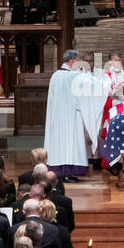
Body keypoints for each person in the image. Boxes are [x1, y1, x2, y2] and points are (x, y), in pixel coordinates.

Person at [43, 50, 99, 180]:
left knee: (61, 144)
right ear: (72, 61)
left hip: (58, 118)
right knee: (70, 143)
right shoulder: (72, 76)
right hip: (70, 117)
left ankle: (61, 171)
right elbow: (91, 84)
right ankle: (67, 172)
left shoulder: (56, 75)